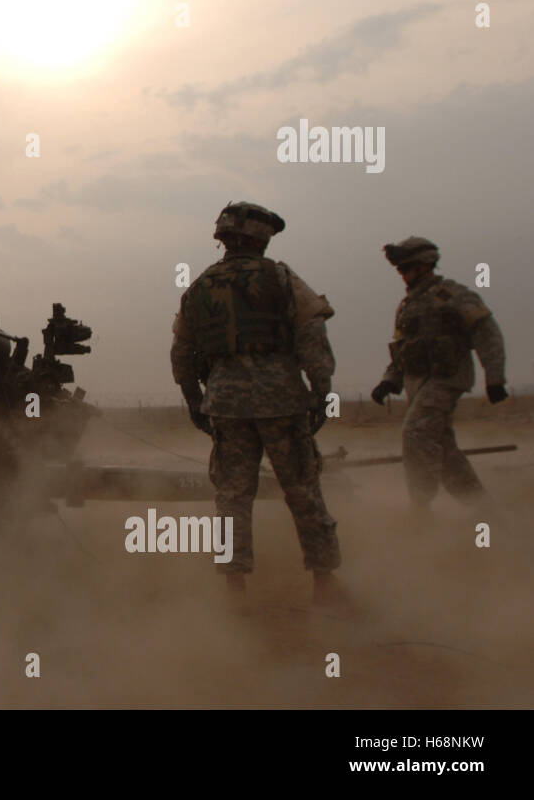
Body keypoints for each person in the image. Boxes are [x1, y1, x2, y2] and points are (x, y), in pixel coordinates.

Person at [171, 202, 343, 605]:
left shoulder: (199, 287)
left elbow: (181, 353)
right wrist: (321, 392)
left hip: (226, 406)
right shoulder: (281, 278)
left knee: (232, 497)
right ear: (261, 239)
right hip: (281, 400)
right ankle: (324, 583)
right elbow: (312, 336)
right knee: (302, 490)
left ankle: (235, 590)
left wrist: (196, 401)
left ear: (225, 239)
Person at [370, 237, 507, 511]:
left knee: (416, 433)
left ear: (426, 266)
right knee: (444, 452)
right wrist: (389, 381)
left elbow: (486, 332)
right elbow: (402, 350)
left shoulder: (451, 295)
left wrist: (494, 377)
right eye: (400, 270)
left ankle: (420, 510)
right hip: (417, 383)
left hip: (447, 379)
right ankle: (484, 510)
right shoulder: (407, 306)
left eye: (408, 268)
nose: (403, 275)